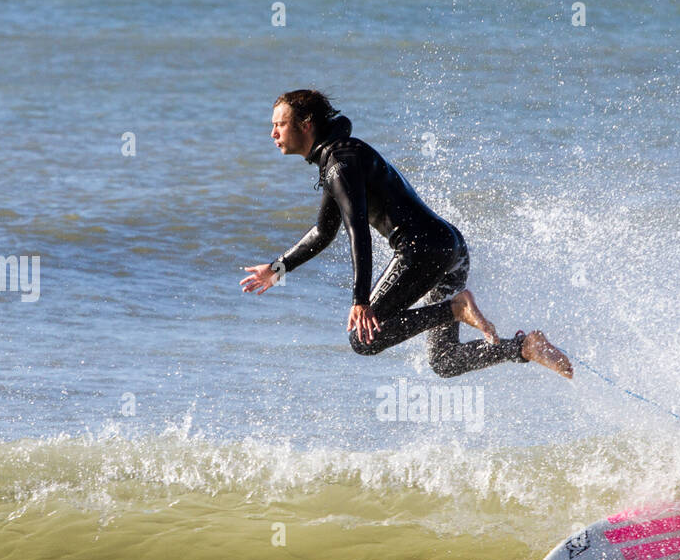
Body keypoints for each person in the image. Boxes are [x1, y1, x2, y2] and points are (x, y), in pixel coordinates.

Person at [240, 90, 573, 379]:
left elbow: (358, 231)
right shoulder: (339, 157)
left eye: (279, 124)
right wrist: (277, 268)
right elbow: (324, 232)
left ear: (305, 125)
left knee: (363, 338)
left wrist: (360, 301)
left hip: (421, 252)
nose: (272, 133)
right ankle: (525, 347)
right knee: (445, 361)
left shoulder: (339, 164)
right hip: (450, 249)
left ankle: (455, 308)